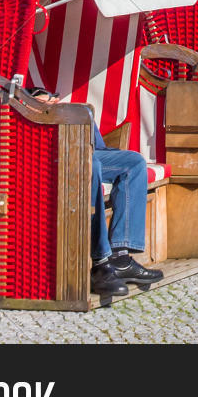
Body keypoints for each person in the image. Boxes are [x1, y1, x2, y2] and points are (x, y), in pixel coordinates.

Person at [28, 87, 163, 295]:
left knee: (134, 163)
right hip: (44, 150)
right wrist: (37, 101)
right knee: (91, 165)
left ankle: (120, 258)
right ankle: (100, 263)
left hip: (80, 145)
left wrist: (51, 100)